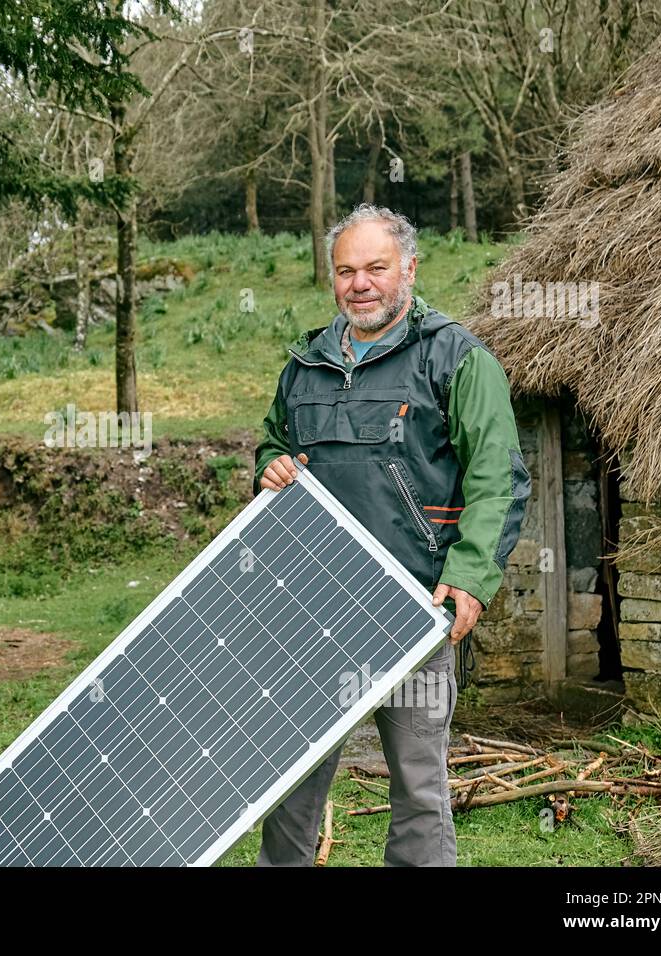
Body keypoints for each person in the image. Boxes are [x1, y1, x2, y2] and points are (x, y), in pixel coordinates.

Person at [252, 204, 530, 866]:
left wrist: (468, 578)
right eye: (346, 271)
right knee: (289, 785)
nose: (360, 283)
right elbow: (271, 443)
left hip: (413, 612)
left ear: (409, 267)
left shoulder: (456, 359)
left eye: (376, 267)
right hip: (311, 615)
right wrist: (268, 463)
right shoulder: (305, 366)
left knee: (418, 788)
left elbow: (499, 481)